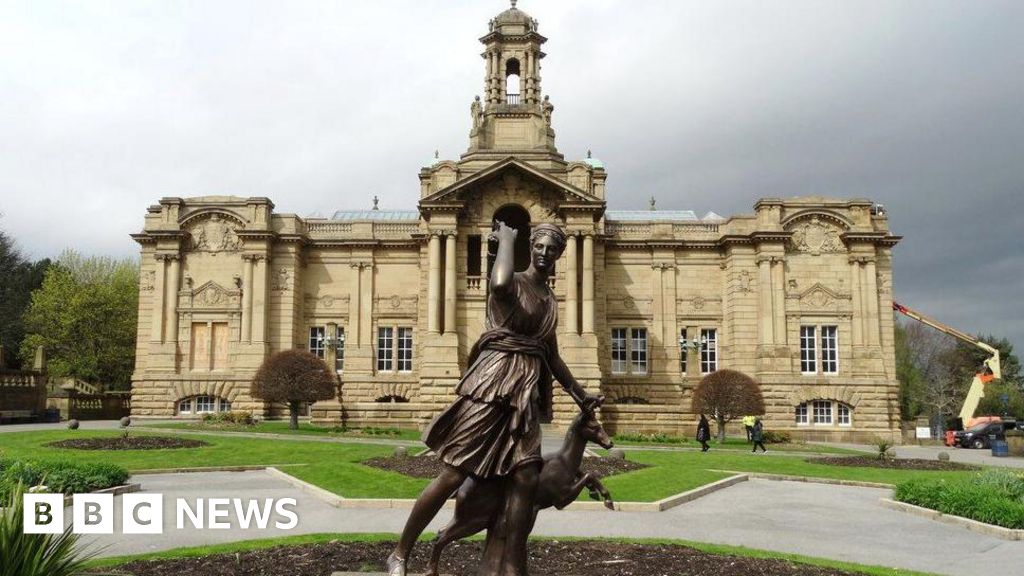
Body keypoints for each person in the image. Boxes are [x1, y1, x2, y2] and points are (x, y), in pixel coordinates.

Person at [386, 221, 600, 576]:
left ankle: (512, 568)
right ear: (530, 248)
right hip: (491, 388)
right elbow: (498, 283)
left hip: (524, 398)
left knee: (526, 480)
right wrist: (505, 241)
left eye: (552, 249)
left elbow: (552, 356)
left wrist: (580, 395)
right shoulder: (511, 282)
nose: (545, 254)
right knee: (454, 475)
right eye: (540, 247)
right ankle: (400, 552)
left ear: (561, 255)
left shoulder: (549, 301)